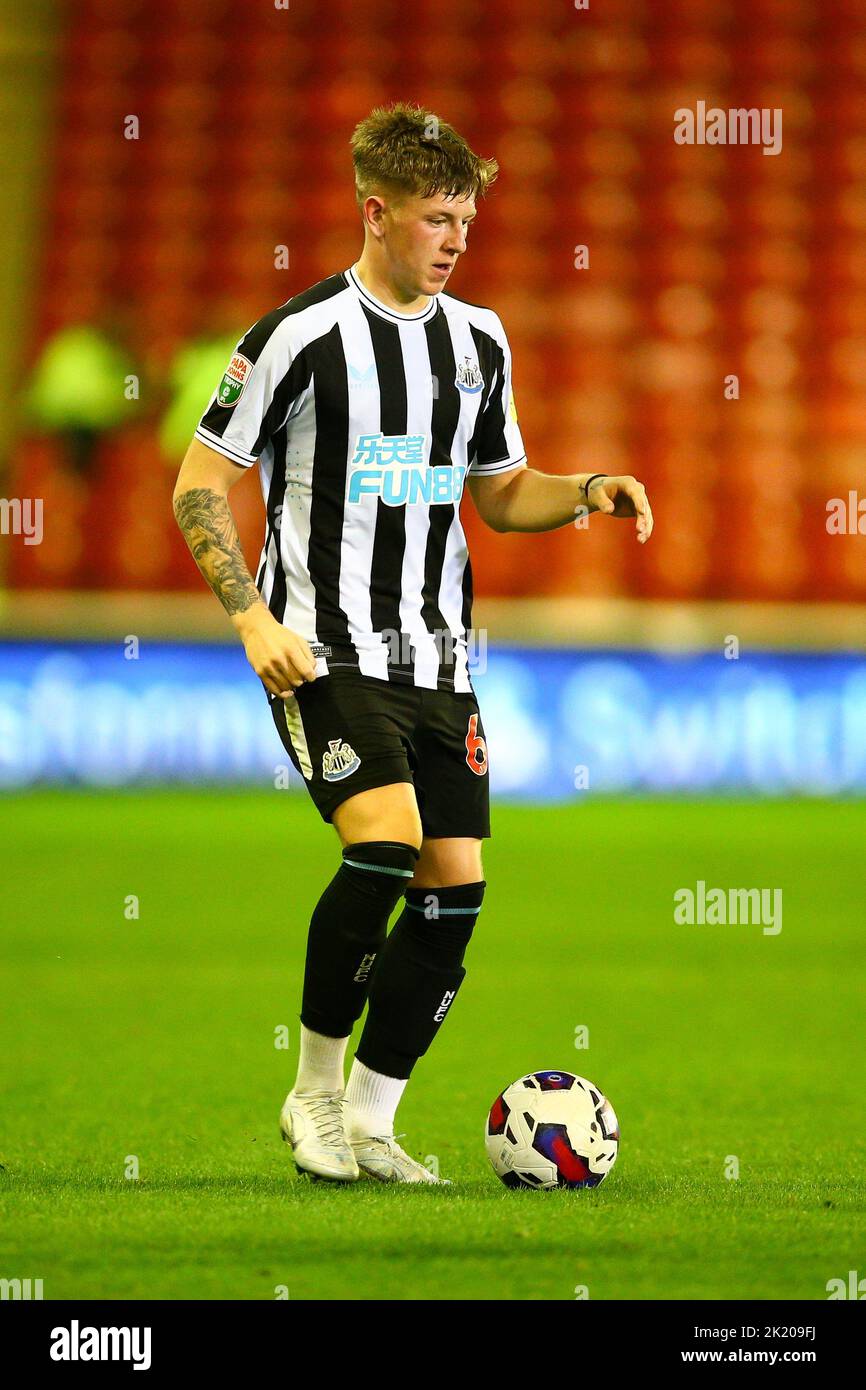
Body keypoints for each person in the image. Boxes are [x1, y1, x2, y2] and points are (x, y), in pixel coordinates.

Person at [173, 101, 653, 1185]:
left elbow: (497, 495)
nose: (453, 241)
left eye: (465, 223)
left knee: (454, 888)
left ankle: (375, 1119)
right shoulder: (293, 336)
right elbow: (201, 481)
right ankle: (311, 1091)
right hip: (323, 650)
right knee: (382, 844)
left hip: (441, 661)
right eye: (437, 219)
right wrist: (251, 618)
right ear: (375, 213)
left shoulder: (478, 341)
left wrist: (583, 492)